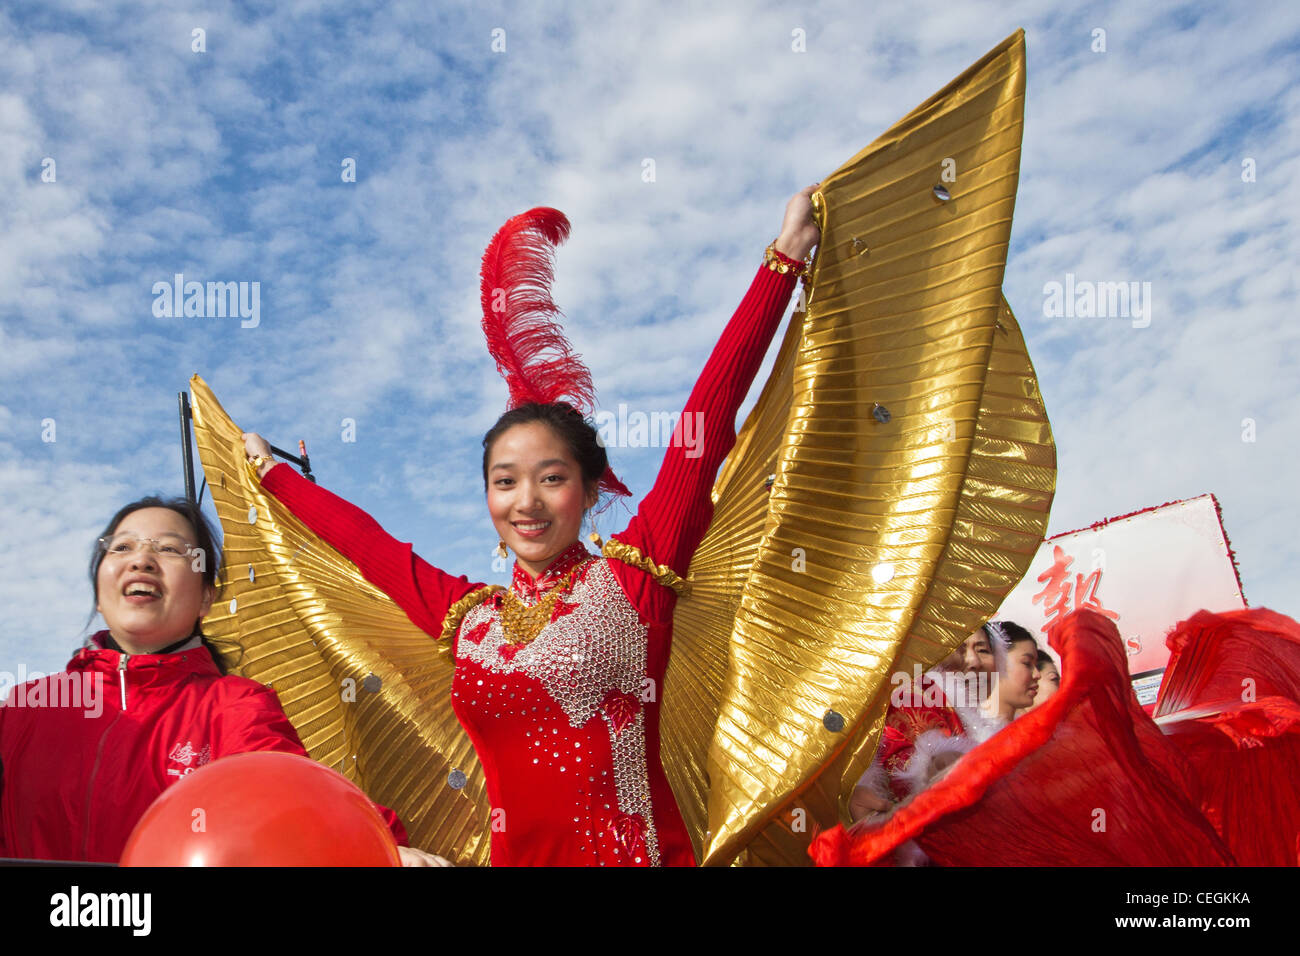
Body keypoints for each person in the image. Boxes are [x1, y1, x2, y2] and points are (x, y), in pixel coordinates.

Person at [240, 188, 821, 866]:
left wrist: (782, 260)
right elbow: (369, 547)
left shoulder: (635, 579)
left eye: (552, 477)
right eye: (505, 481)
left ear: (590, 489)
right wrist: (272, 475)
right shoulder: (470, 617)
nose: (528, 502)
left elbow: (705, 427)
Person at [0, 496, 439, 865]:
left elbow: (292, 795)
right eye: (122, 547)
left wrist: (382, 845)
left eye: (170, 550)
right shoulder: (25, 708)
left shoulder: (236, 707)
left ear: (207, 597)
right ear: (98, 591)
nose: (142, 559)